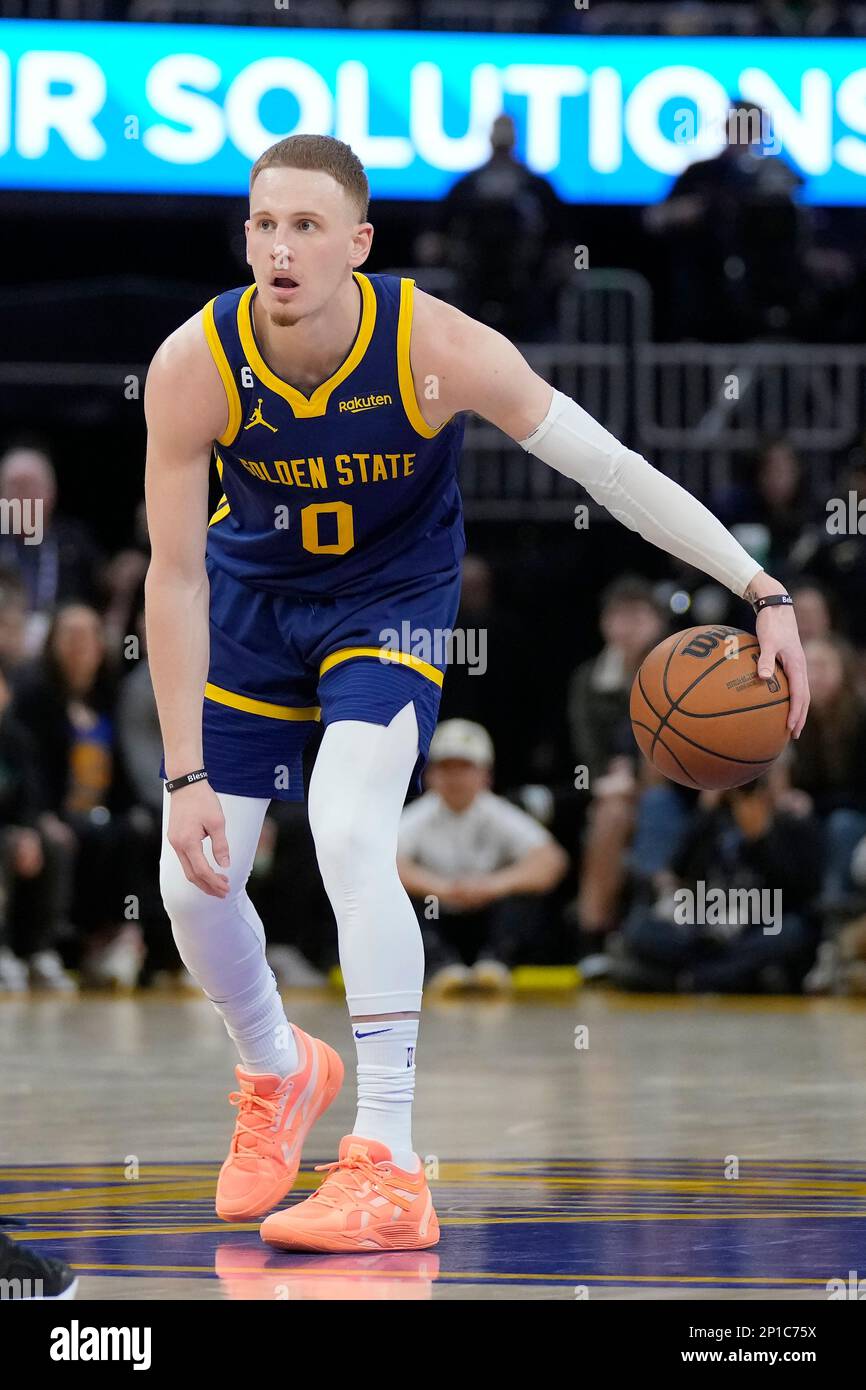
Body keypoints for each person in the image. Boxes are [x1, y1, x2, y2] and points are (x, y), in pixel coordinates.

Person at [144, 133, 808, 1255]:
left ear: (359, 243)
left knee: (354, 831)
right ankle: (276, 1067)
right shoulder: (193, 363)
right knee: (187, 884)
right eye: (263, 224)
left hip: (384, 607)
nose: (280, 247)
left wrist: (758, 583)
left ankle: (391, 1162)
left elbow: (606, 467)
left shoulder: (436, 346)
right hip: (253, 617)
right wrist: (184, 774)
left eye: (307, 226)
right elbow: (171, 576)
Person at [396, 719, 568, 992]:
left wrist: (493, 886)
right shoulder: (418, 817)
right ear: (430, 775)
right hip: (439, 918)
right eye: (446, 768)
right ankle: (438, 964)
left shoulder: (498, 813)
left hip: (488, 919)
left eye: (465, 768)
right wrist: (441, 888)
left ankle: (497, 962)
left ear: (485, 775)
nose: (455, 778)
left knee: (523, 899)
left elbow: (550, 861)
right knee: (403, 901)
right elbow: (388, 864)